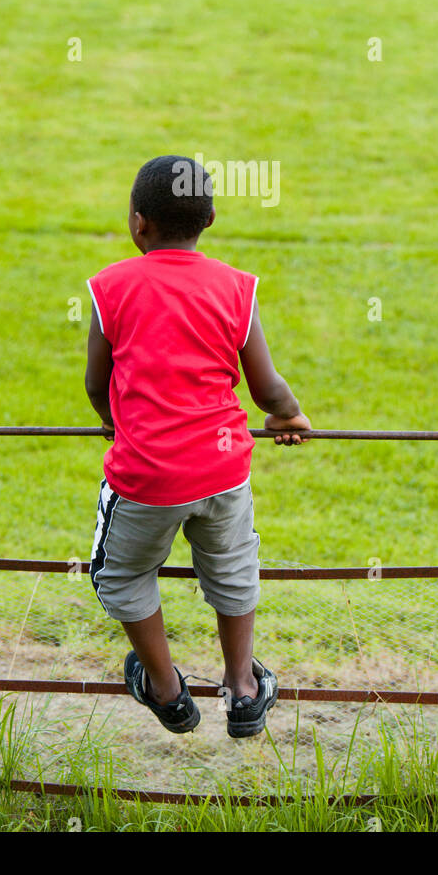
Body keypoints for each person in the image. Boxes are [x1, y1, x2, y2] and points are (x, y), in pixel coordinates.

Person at [85, 154, 311, 737]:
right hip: (222, 470)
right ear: (210, 217)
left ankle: (166, 690)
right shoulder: (237, 288)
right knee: (234, 569)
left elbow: (95, 384)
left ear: (139, 224)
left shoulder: (111, 287)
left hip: (146, 478)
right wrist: (287, 413)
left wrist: (119, 421)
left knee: (120, 574)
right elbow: (266, 388)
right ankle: (241, 688)